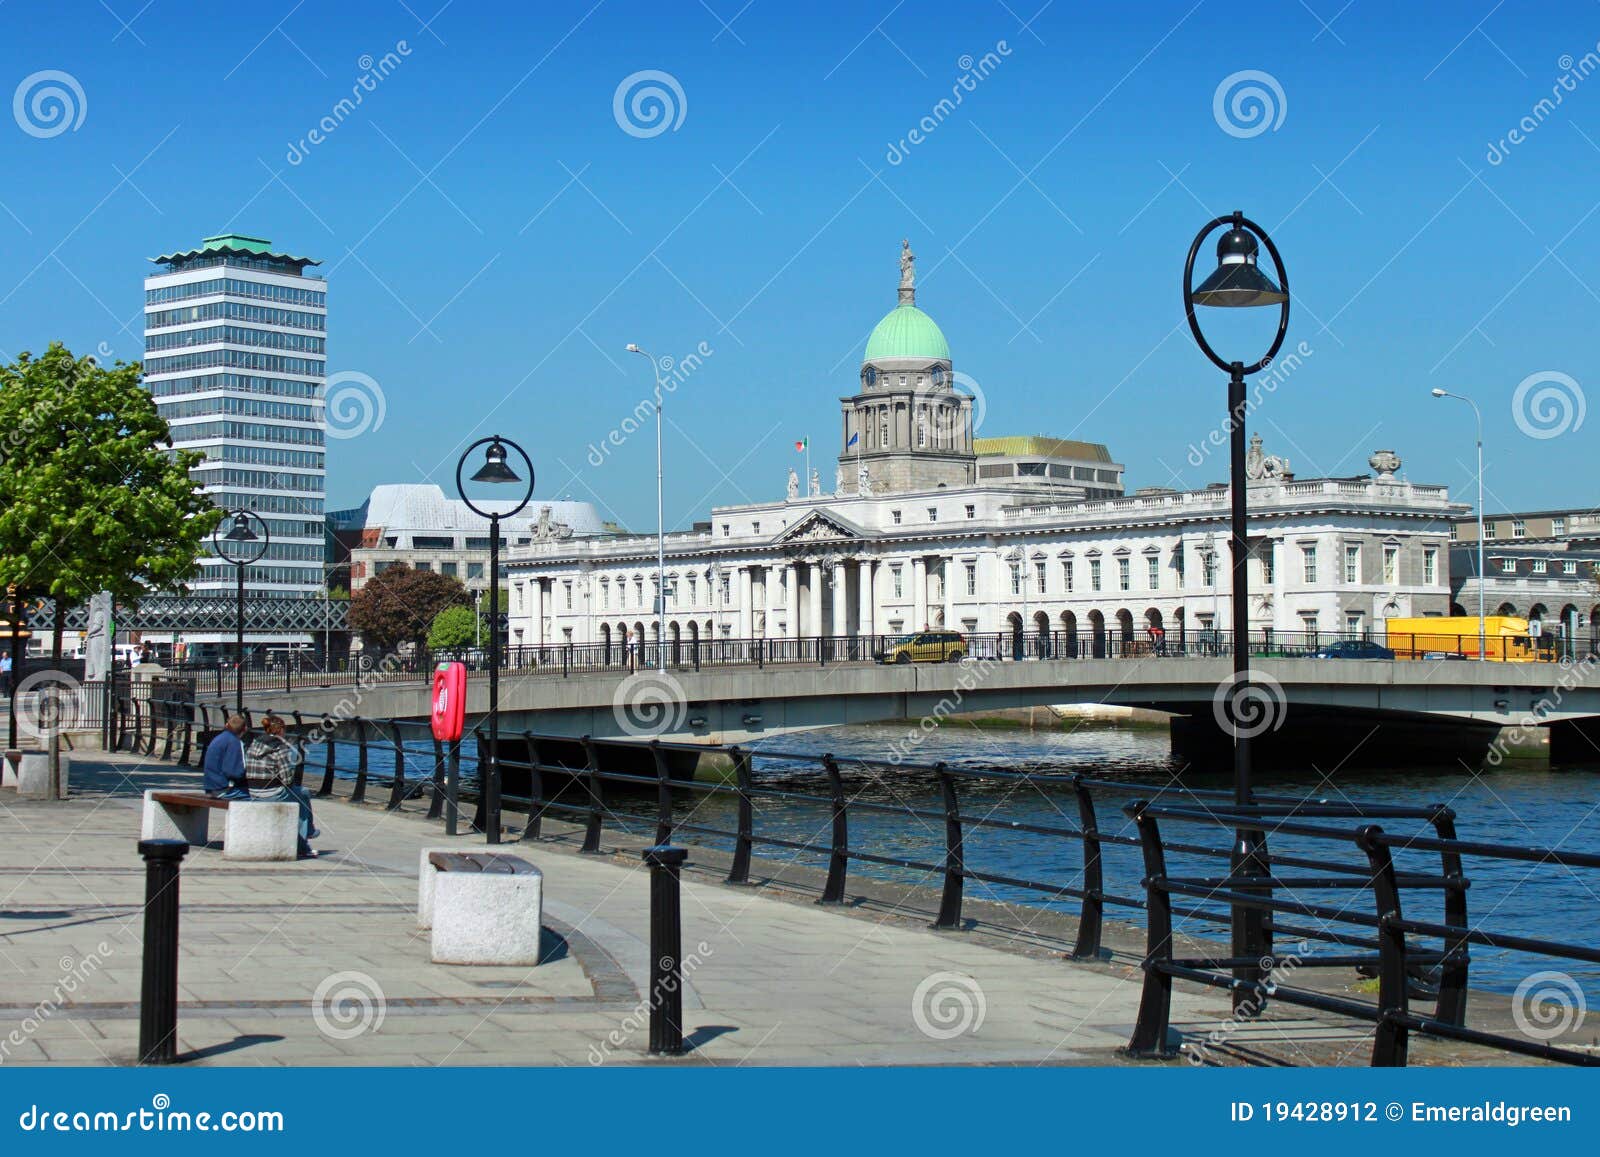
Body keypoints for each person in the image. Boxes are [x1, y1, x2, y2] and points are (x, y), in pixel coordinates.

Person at [246, 714, 319, 859]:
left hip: (253, 791)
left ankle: (306, 836)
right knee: (303, 794)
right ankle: (305, 841)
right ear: (280, 730)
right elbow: (287, 778)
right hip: (272, 793)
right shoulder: (280, 747)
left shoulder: (254, 744)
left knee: (299, 796)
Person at [202, 715, 249, 798]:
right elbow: (235, 772)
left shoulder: (219, 738)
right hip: (225, 789)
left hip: (211, 787)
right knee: (260, 797)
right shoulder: (234, 742)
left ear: (227, 725)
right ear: (245, 729)